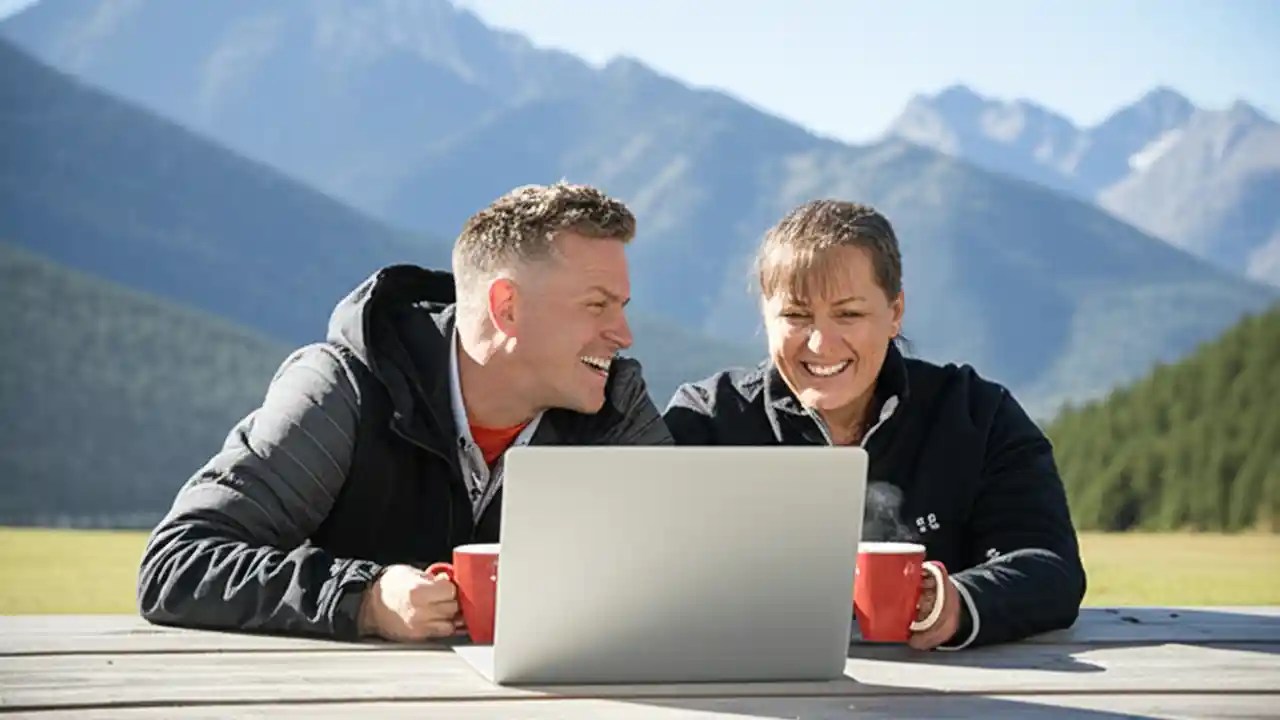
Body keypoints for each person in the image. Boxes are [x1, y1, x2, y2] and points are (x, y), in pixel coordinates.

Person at [138, 182, 672, 642]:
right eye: (597, 304)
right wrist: (365, 599)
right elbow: (178, 565)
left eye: (621, 308)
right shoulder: (343, 390)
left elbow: (687, 575)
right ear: (507, 307)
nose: (622, 336)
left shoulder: (615, 410)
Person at [663, 200, 1085, 650]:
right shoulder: (707, 419)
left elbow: (1050, 566)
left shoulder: (977, 414)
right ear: (766, 315)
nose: (821, 344)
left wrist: (957, 603)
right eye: (796, 316)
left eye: (849, 314)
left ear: (895, 311)